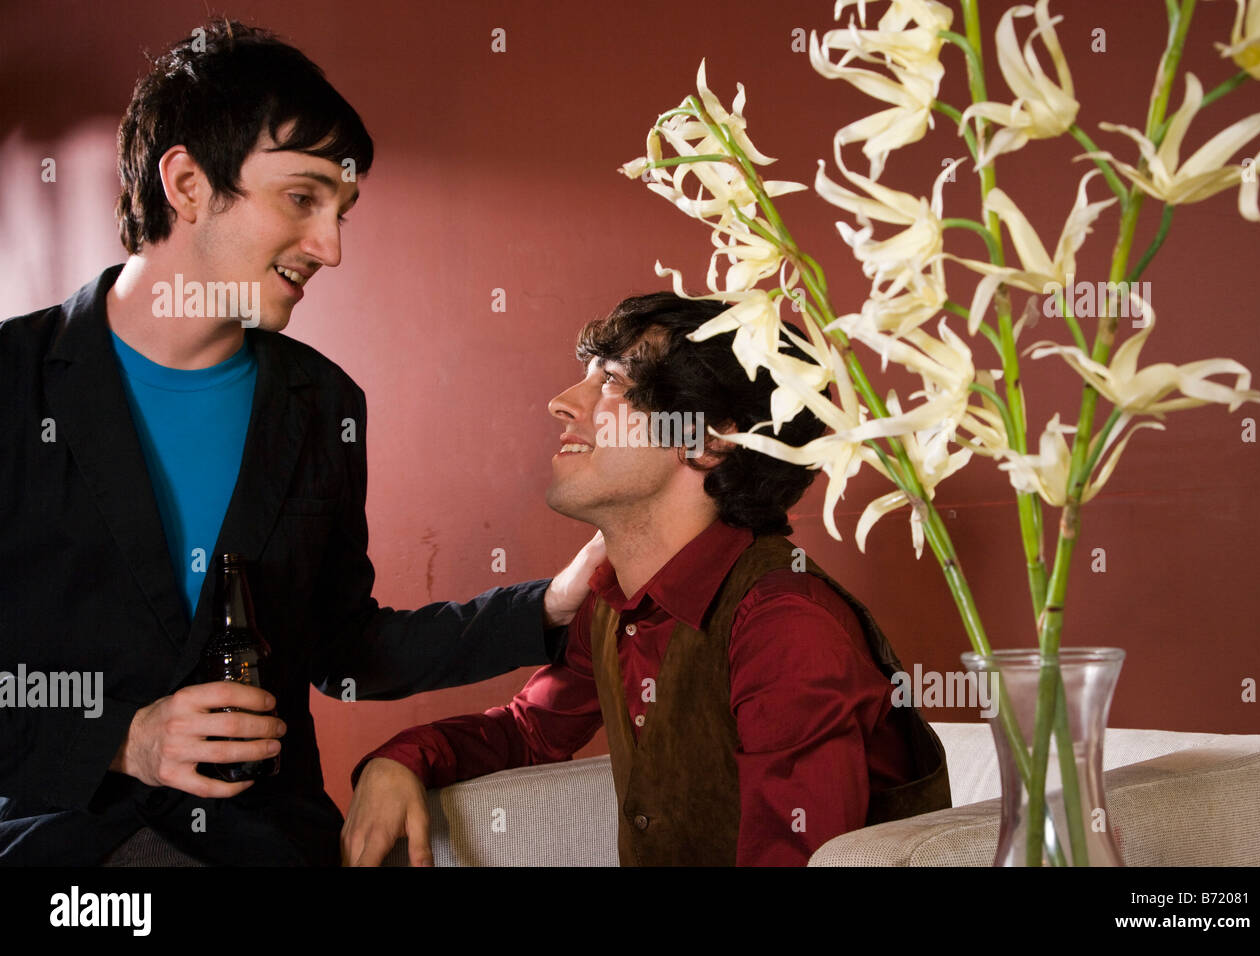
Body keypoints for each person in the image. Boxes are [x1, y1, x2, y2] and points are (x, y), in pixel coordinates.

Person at [0, 20, 602, 866]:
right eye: (302, 198)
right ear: (187, 182)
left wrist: (545, 608)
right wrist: (122, 738)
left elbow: (343, 649)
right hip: (57, 848)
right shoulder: (11, 381)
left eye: (342, 211)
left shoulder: (322, 403)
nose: (331, 247)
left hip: (266, 844)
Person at [342, 292, 950, 867]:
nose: (562, 402)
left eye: (610, 381)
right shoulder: (615, 601)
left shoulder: (782, 626)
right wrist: (401, 761)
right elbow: (529, 730)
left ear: (708, 439)